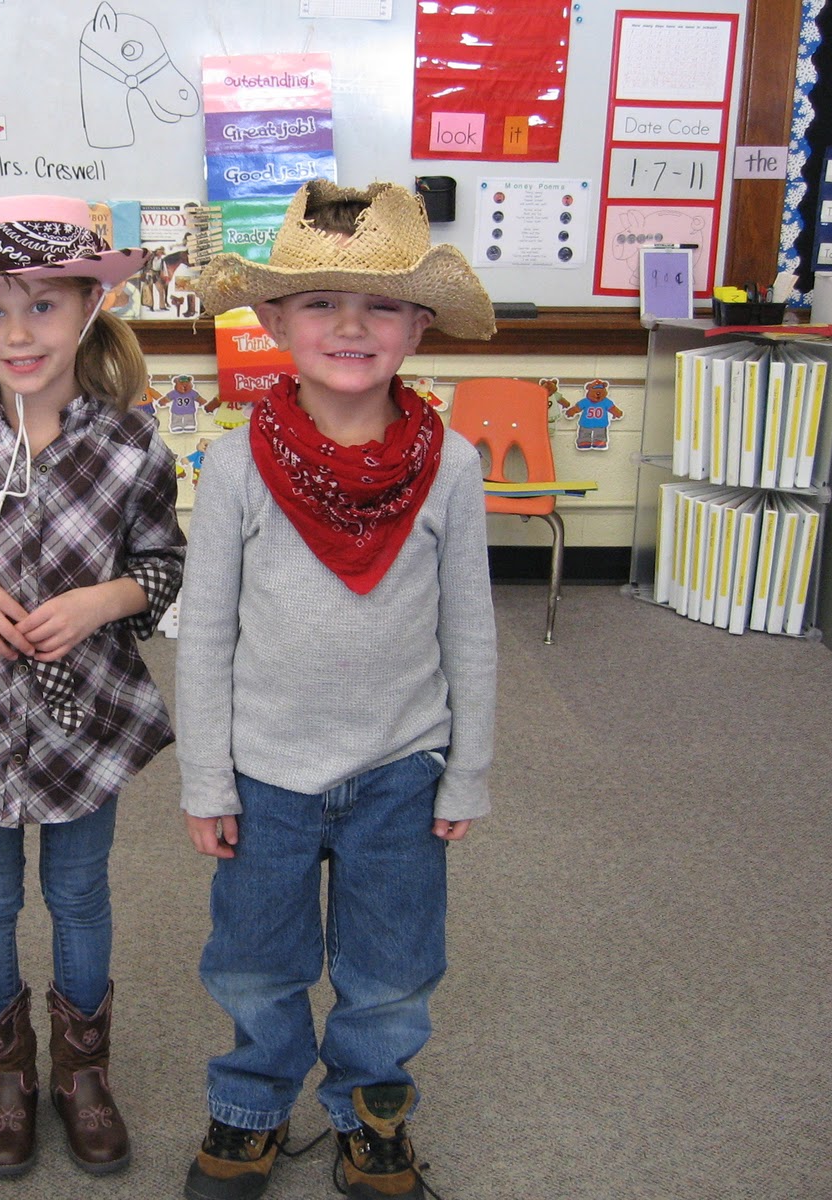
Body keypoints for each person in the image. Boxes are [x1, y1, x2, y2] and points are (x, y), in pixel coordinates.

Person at [175, 179, 498, 1200]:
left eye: (382, 305)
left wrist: (466, 774)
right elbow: (207, 633)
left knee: (391, 972)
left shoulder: (451, 467)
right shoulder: (231, 469)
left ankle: (371, 1115)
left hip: (402, 770)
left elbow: (470, 631)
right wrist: (203, 781)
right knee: (254, 963)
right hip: (264, 772)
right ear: (272, 319)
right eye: (316, 302)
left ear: (418, 326)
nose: (349, 326)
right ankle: (249, 1109)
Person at [0, 195, 185, 1178]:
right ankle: (5, 1076)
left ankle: (81, 1076)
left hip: (82, 716)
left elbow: (160, 562)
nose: (17, 334)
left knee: (77, 893)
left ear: (88, 310)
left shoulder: (131, 445)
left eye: (43, 308)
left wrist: (103, 601)